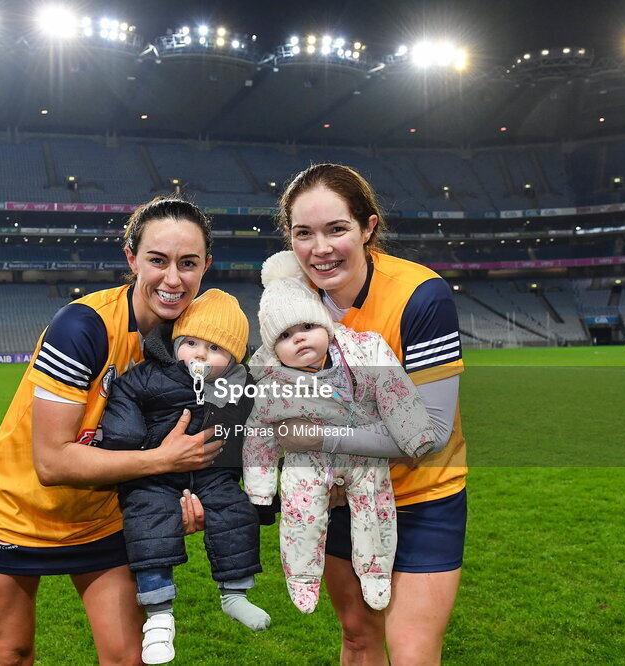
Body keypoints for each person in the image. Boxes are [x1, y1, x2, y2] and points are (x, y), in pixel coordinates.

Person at [0, 197, 225, 666]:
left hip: (105, 517)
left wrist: (190, 498)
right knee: (10, 652)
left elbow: (193, 438)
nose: (173, 279)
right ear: (132, 258)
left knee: (128, 658)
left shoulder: (195, 344)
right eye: (158, 260)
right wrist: (163, 462)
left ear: (206, 266)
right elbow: (51, 462)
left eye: (188, 263)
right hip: (17, 511)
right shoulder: (82, 326)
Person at [273, 164, 468, 666]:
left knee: (412, 652)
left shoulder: (420, 295)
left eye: (336, 229)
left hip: (422, 496)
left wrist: (321, 439)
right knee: (359, 640)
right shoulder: (291, 301)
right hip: (342, 498)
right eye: (303, 233)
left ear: (368, 227)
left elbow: (431, 434)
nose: (320, 248)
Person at [245, 251, 436, 614]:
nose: (299, 339)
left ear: (325, 325)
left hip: (364, 453)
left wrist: (414, 434)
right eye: (285, 335)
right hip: (309, 459)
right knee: (300, 514)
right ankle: (302, 578)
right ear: (273, 349)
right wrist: (260, 488)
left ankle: (376, 572)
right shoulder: (273, 383)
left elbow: (393, 388)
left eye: (307, 326)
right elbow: (258, 432)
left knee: (375, 510)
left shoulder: (363, 350)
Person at [99, 288, 268, 665]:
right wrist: (127, 438)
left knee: (236, 511)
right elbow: (123, 396)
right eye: (191, 343)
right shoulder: (149, 376)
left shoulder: (243, 386)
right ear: (175, 343)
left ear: (234, 358)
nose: (200, 355)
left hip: (211, 472)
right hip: (154, 470)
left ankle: (235, 594)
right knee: (148, 519)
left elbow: (260, 426)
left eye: (215, 348)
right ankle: (158, 614)